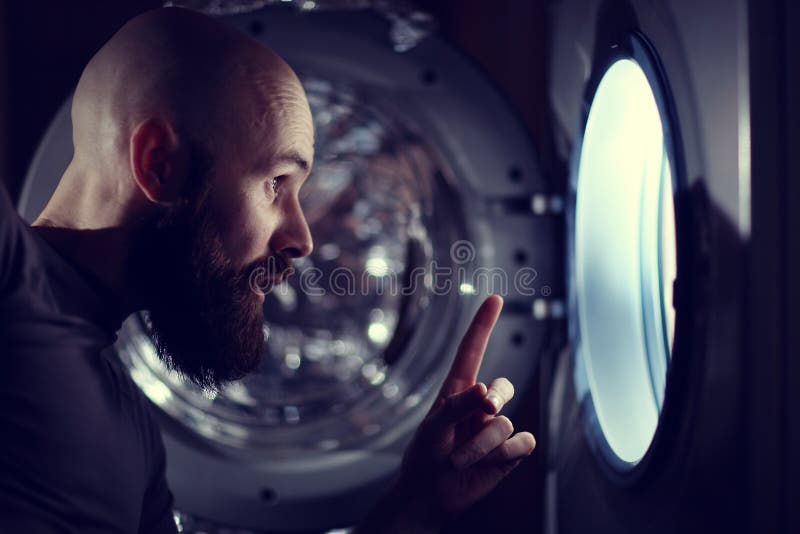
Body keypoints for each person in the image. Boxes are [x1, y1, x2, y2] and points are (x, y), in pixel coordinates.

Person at [0, 7, 535, 533]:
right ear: (160, 164)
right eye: (276, 181)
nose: (303, 240)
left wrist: (417, 509)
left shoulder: (135, 437)